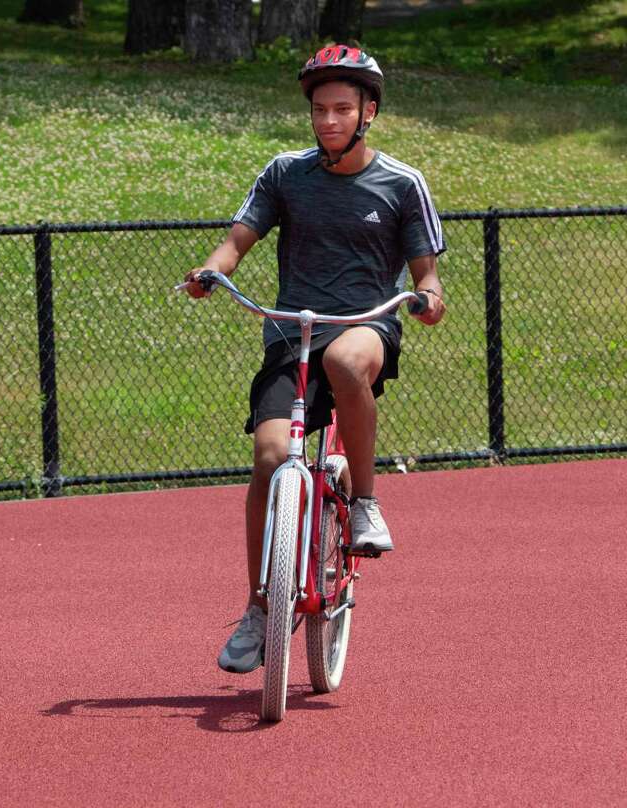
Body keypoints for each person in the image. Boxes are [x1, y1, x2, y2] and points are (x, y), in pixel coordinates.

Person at [183, 46, 446, 674]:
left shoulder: (402, 183)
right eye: (319, 109)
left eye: (342, 108)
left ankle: (363, 504)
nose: (328, 120)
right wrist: (211, 272)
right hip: (291, 333)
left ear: (368, 112)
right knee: (271, 458)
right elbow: (236, 241)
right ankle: (257, 607)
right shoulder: (284, 174)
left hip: (364, 325)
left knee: (347, 363)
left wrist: (429, 298)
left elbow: (426, 274)